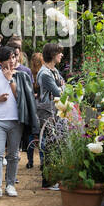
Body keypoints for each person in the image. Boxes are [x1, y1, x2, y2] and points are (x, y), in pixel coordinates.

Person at [0, 44, 29, 198]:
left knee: (13, 155)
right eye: (8, 58)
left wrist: (10, 80)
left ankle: (10, 184)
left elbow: (21, 98)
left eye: (14, 57)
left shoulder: (20, 76)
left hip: (16, 121)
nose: (12, 61)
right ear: (0, 61)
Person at [36, 43, 65, 189]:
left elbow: (62, 87)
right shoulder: (45, 73)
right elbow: (60, 91)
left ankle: (53, 178)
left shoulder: (54, 71)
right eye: (59, 53)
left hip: (54, 111)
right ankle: (47, 180)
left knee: (55, 145)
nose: (62, 55)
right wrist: (61, 87)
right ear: (53, 54)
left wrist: (61, 86)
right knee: (50, 145)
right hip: (47, 111)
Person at [22, 51, 43, 167]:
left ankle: (30, 161)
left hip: (31, 105)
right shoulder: (43, 74)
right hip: (41, 105)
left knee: (31, 133)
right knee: (41, 134)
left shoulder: (29, 73)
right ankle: (42, 161)